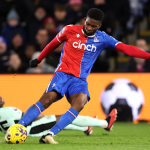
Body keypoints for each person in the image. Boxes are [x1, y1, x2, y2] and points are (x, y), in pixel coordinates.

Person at [16, 8, 150, 144]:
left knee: (80, 102)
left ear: (99, 26)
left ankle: (49, 134)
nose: (90, 28)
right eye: (88, 24)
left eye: (93, 26)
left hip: (79, 80)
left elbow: (126, 48)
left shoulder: (103, 38)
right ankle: (17, 127)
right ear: (85, 20)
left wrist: (148, 55)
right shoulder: (69, 30)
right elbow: (52, 44)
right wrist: (38, 59)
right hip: (62, 74)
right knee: (48, 99)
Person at [0, 96, 114, 137]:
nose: (0, 97)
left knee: (60, 123)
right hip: (32, 129)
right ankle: (105, 124)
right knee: (65, 117)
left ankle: (85, 128)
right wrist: (42, 117)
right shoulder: (7, 110)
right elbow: (27, 117)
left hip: (27, 132)